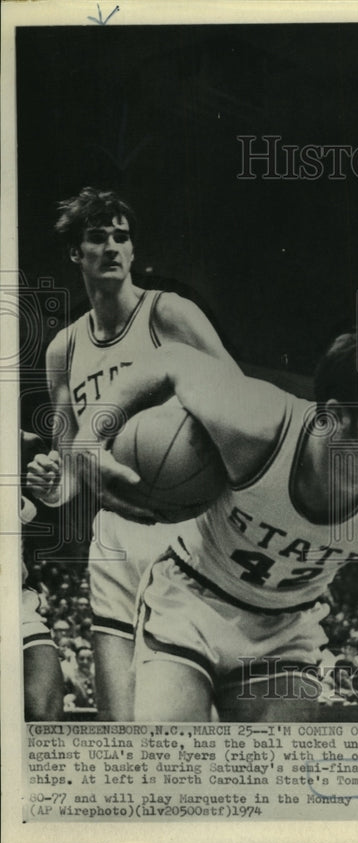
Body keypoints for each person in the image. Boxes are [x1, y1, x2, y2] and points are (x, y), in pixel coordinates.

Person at [77, 328, 358, 721]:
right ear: (337, 416)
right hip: (191, 600)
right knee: (169, 751)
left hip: (284, 628)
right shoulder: (258, 423)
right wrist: (87, 438)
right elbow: (172, 359)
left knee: (272, 769)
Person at [26, 187, 239, 720]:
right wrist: (54, 481)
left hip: (189, 530)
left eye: (122, 236)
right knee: (120, 728)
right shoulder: (64, 349)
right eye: (98, 237)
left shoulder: (169, 314)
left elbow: (242, 404)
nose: (113, 247)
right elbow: (71, 461)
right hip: (116, 536)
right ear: (76, 253)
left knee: (185, 725)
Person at [21, 431, 65, 721]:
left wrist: (51, 483)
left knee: (46, 711)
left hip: (13, 601)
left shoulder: (24, 445)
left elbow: (58, 490)